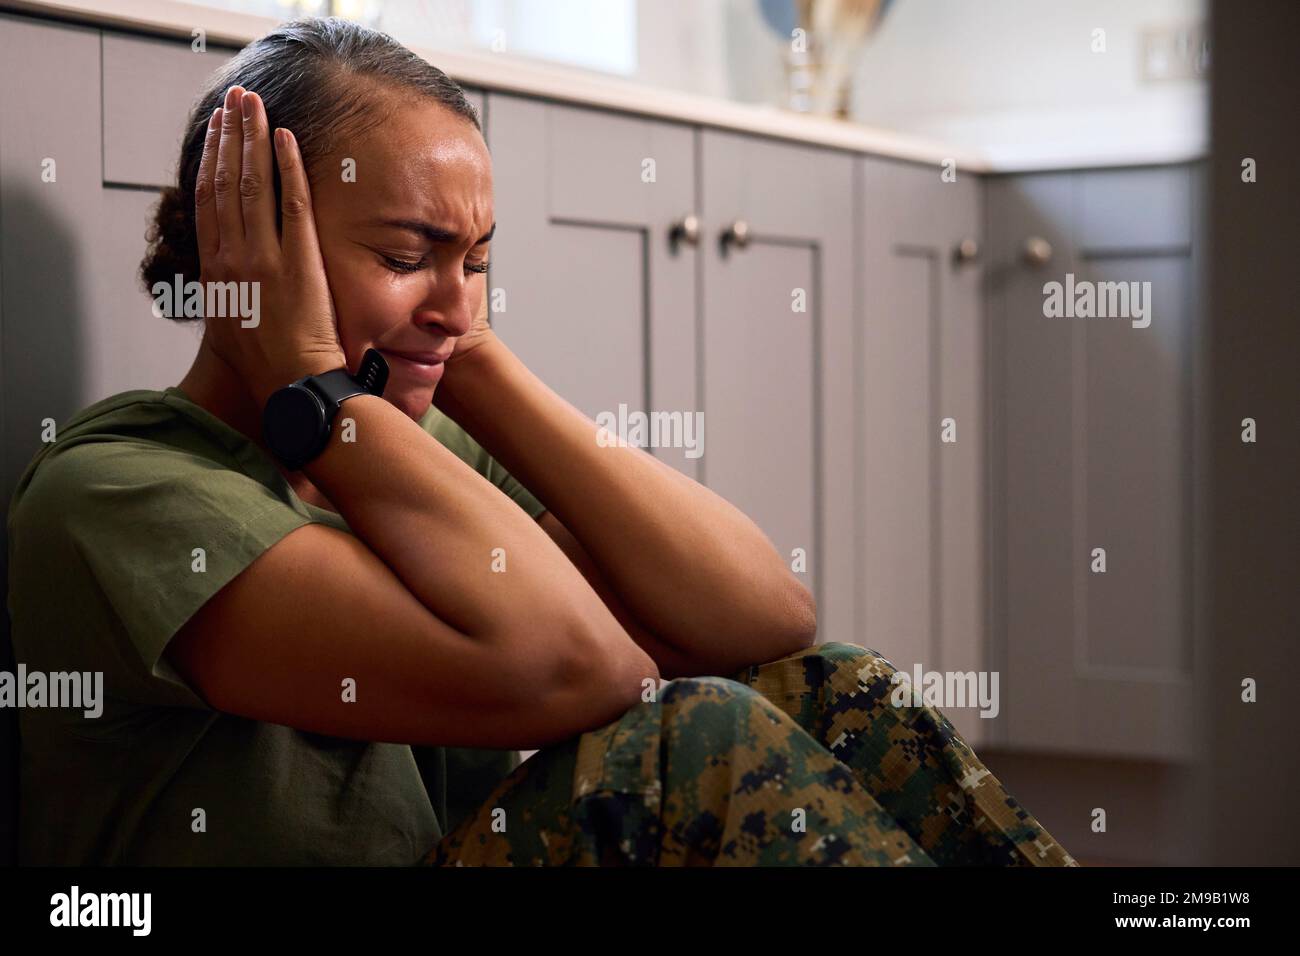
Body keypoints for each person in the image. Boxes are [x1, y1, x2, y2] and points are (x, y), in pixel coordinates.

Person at [5, 16, 1074, 867]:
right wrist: (316, 390)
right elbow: (579, 666)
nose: (455, 299)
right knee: (687, 740)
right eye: (409, 252)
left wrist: (473, 362)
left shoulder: (396, 448)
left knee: (835, 689)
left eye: (475, 258)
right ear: (250, 242)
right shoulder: (119, 493)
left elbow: (766, 615)